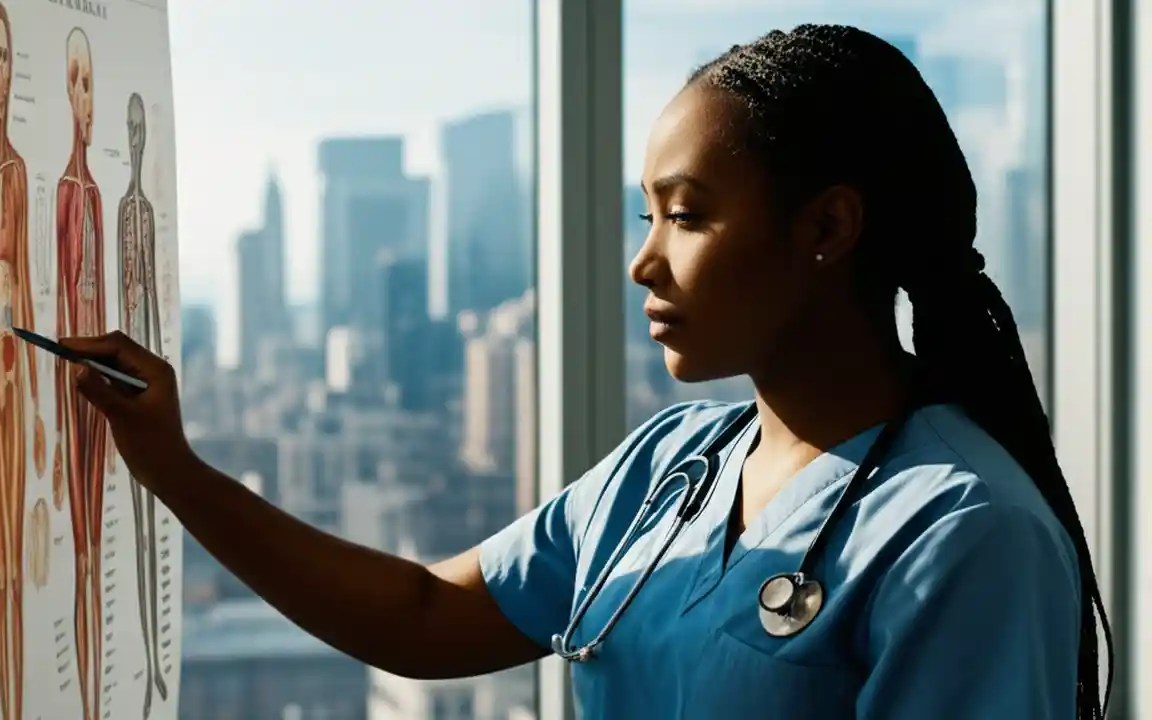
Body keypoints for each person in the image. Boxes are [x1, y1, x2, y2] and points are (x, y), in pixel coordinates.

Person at [64, 24, 1111, 719]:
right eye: (643, 214)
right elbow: (422, 615)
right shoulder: (669, 469)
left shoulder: (966, 536)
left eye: (685, 215)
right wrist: (175, 470)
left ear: (826, 228)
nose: (641, 260)